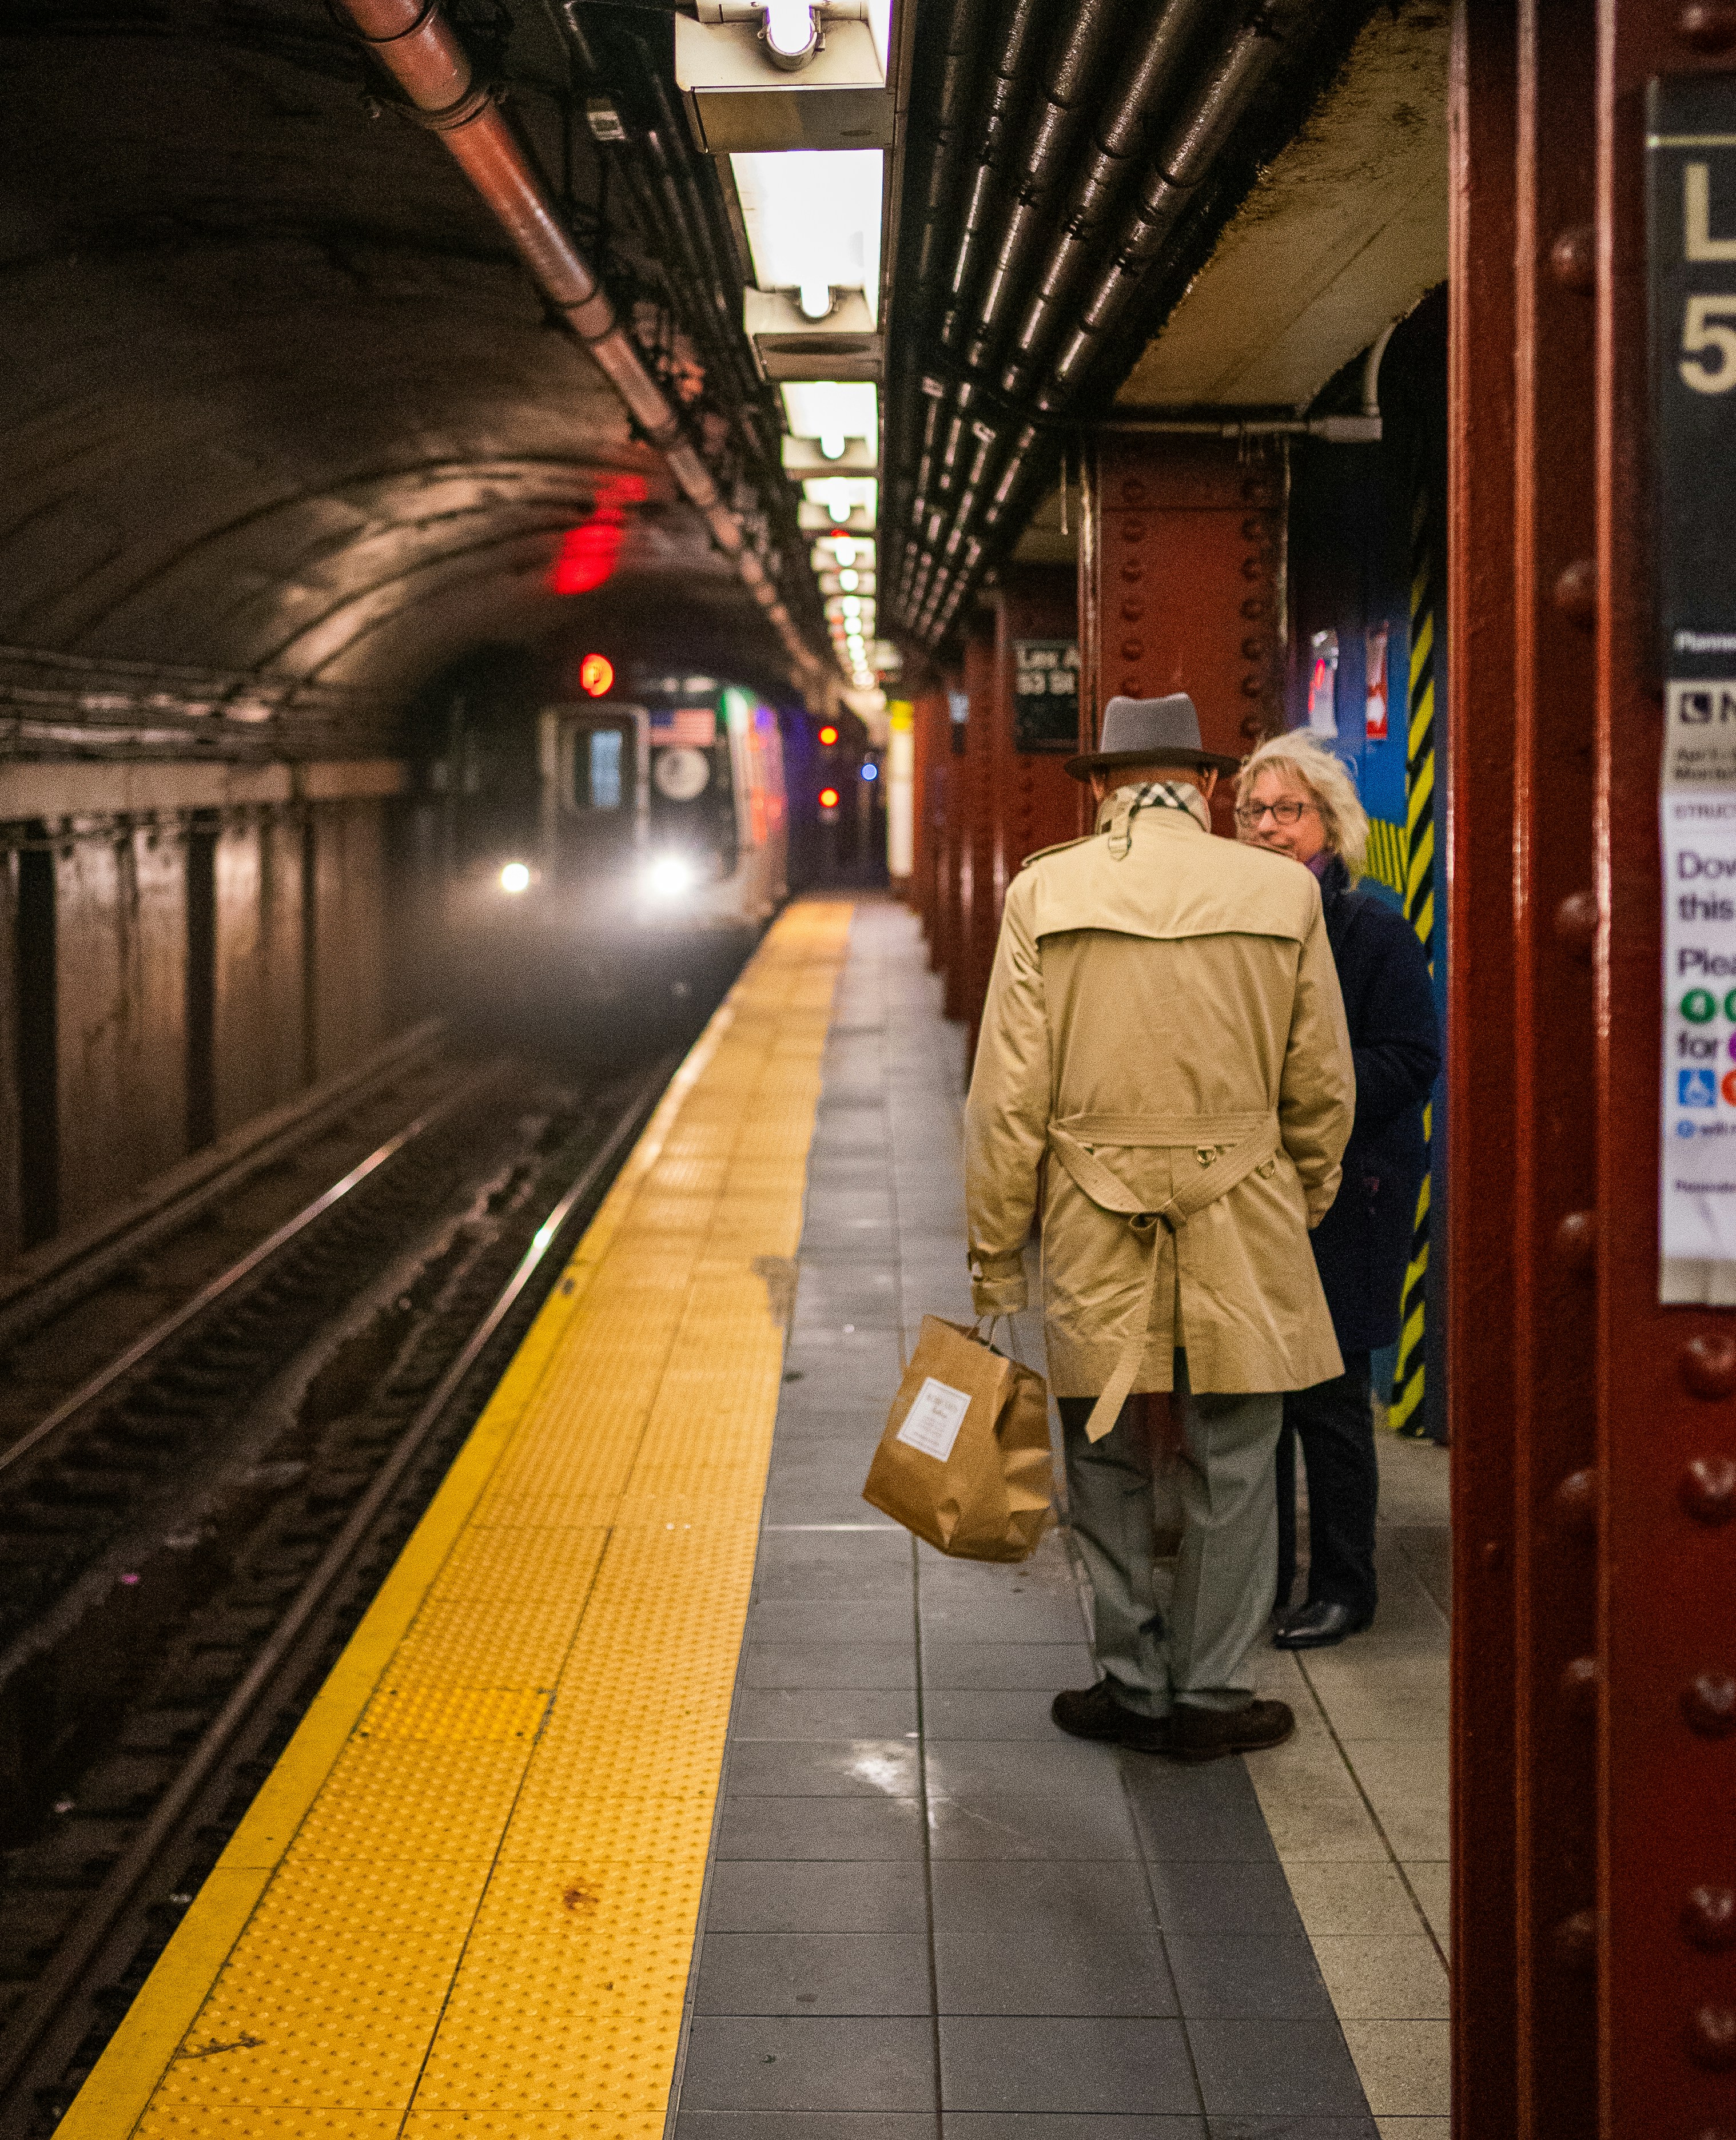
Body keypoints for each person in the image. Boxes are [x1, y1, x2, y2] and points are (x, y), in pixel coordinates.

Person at [963, 694, 1354, 1761]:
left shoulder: (1046, 890)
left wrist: (999, 1257)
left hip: (1095, 1213)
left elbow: (1006, 1100)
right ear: (1209, 785)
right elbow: (1322, 1085)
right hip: (1247, 1209)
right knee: (1238, 1455)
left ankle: (1133, 1684)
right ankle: (1217, 1691)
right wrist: (1295, 1197)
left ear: (1099, 788)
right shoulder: (1282, 890)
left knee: (1107, 1455)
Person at [1235, 732, 1441, 1649]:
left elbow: (1413, 1057)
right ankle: (1268, 1577)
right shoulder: (1233, 923)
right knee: (1256, 1397)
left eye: (1290, 810)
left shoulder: (1371, 929)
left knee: (1327, 1392)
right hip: (1260, 1188)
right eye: (1254, 811)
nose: (1271, 827)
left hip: (1350, 1189)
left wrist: (1311, 1084)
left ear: (1329, 824)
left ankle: (1346, 1586)